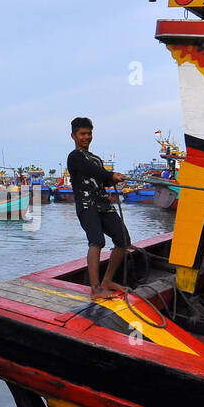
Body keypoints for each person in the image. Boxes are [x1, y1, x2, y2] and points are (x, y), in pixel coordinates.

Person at [67, 117, 129, 299]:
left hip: (104, 205)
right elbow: (92, 171)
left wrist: (112, 178)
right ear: (73, 136)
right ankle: (95, 289)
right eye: (82, 134)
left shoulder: (96, 159)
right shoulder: (75, 157)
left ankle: (107, 281)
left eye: (89, 133)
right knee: (97, 241)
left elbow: (101, 178)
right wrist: (109, 174)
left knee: (123, 239)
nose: (86, 137)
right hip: (87, 205)